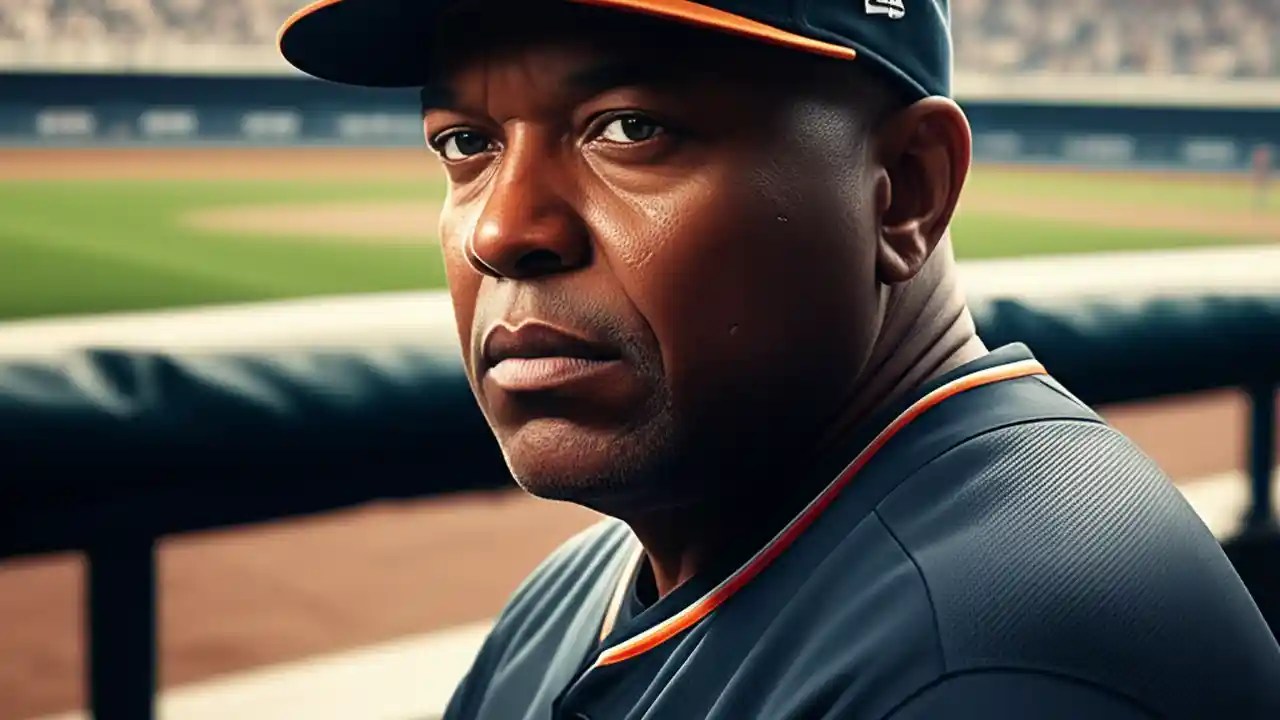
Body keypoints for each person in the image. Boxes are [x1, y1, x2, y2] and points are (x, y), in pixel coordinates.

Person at [278, 1, 1280, 717]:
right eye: (463, 143)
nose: (502, 227)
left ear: (903, 190)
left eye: (629, 128)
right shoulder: (579, 588)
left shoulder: (991, 662)